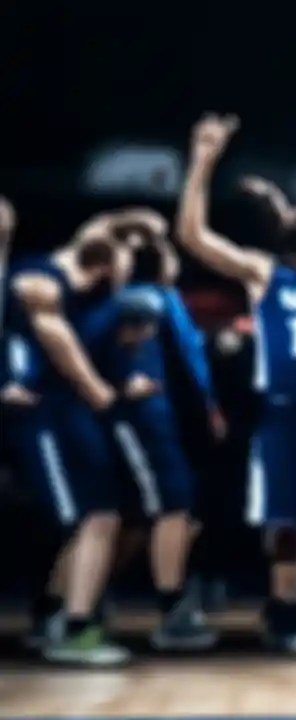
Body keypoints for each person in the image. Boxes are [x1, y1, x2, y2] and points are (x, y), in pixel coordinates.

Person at [177, 114, 296, 653]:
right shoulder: (263, 272)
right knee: (284, 518)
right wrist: (203, 162)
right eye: (291, 214)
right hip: (282, 411)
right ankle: (281, 611)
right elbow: (192, 235)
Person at [1, 207, 157, 665]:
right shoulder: (40, 280)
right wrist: (102, 396)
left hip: (70, 415)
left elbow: (105, 227)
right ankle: (73, 630)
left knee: (104, 516)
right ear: (107, 262)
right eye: (124, 261)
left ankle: (59, 614)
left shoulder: (88, 294)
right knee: (93, 517)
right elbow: (59, 345)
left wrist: (141, 225)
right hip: (42, 415)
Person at [107, 230, 221, 651]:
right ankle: (172, 612)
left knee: (141, 519)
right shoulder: (151, 300)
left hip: (157, 422)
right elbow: (189, 368)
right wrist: (210, 414)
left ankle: (81, 600)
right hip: (147, 422)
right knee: (173, 509)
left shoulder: (137, 299)